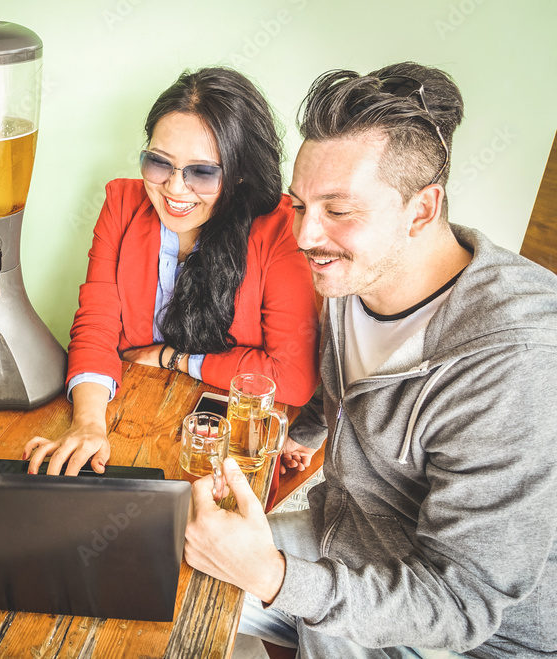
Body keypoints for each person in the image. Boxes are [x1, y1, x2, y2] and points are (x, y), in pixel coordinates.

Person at [185, 61, 557, 657]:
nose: (304, 235)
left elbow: (462, 603)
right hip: (348, 536)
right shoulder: (356, 271)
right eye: (301, 205)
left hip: (463, 632)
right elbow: (352, 391)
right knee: (181, 559)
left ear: (421, 210)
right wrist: (298, 434)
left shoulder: (515, 363)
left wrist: (274, 577)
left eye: (338, 209)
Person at [24, 67, 319, 477]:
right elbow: (97, 325)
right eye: (159, 164)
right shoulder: (121, 204)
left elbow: (292, 376)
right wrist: (88, 423)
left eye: (202, 171)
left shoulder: (280, 230)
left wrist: (172, 358)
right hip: (127, 417)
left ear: (240, 174)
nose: (174, 189)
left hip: (224, 444)